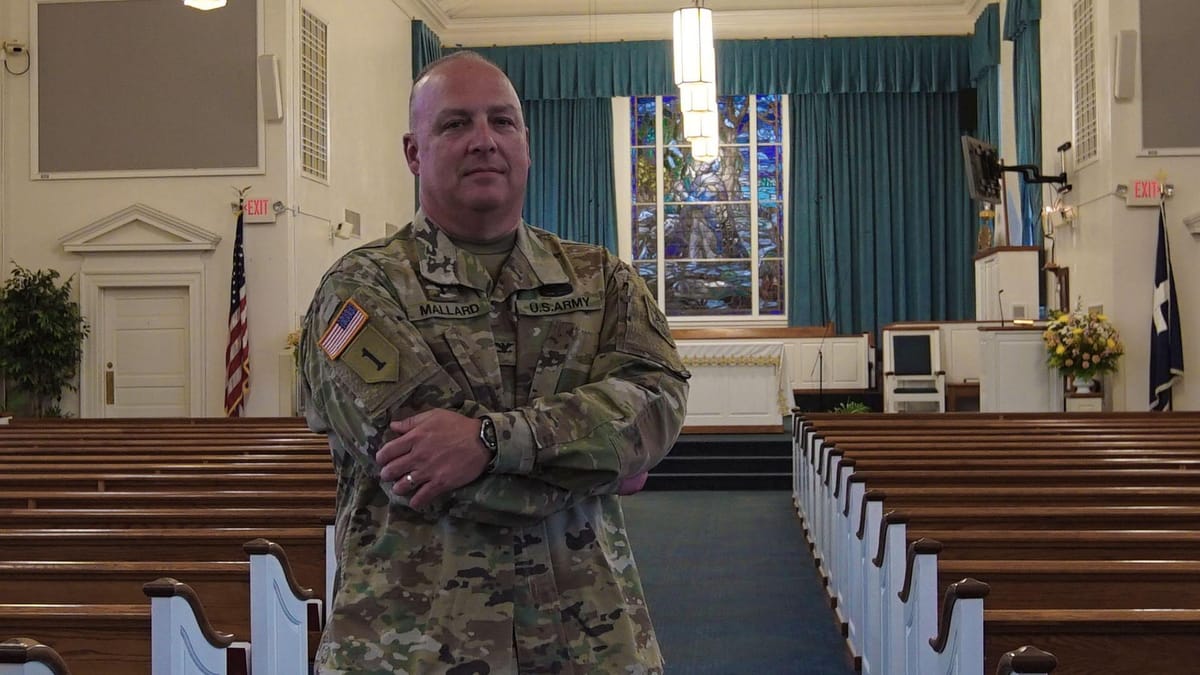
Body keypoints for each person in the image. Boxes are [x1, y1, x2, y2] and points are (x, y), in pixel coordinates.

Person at [299, 50, 690, 674]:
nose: (484, 140)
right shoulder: (357, 292)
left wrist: (487, 439)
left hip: (588, 642)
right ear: (413, 152)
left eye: (502, 122)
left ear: (526, 145)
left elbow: (657, 409)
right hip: (412, 644)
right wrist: (599, 461)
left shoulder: (603, 280)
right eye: (455, 124)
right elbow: (417, 465)